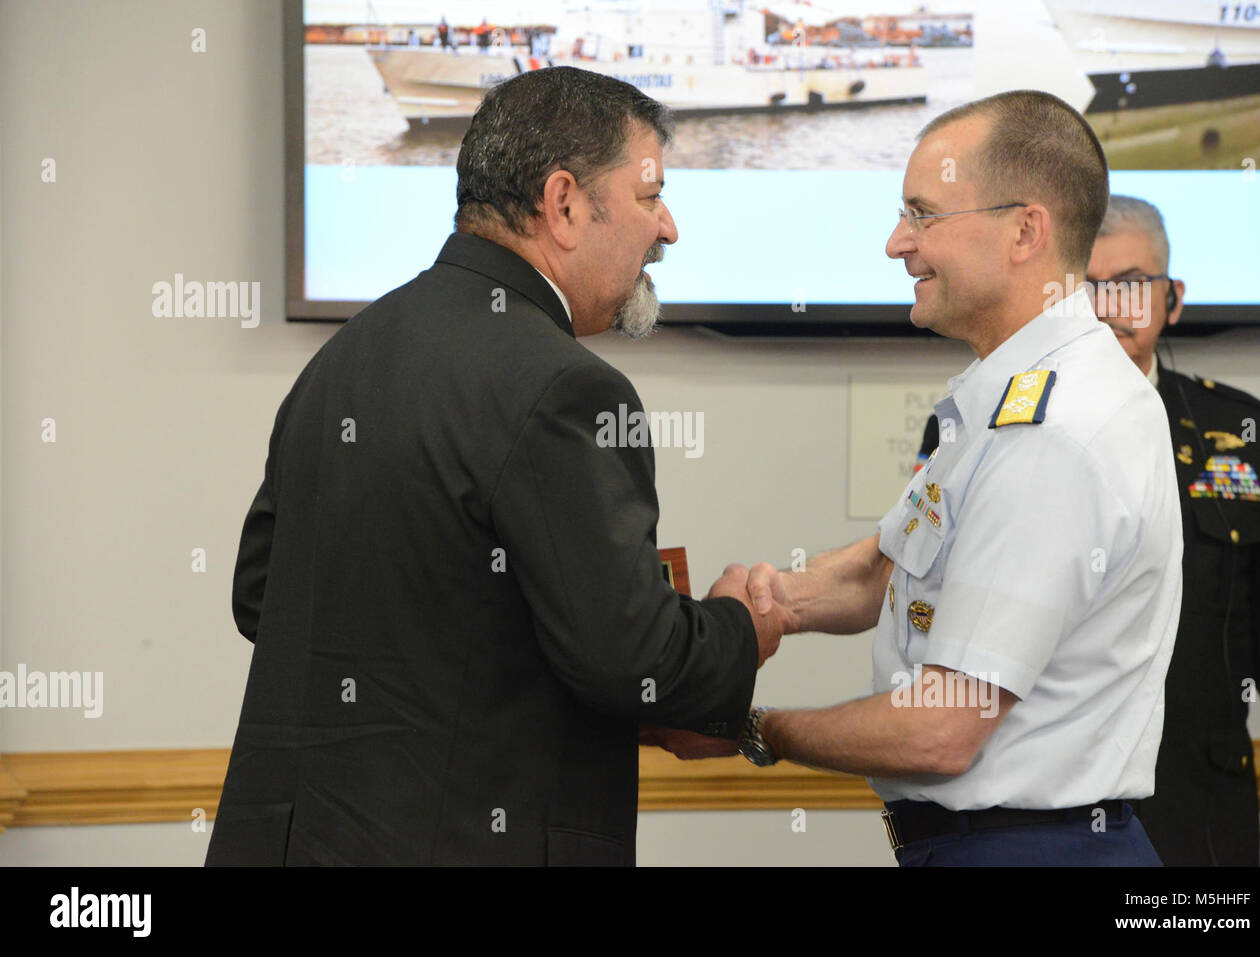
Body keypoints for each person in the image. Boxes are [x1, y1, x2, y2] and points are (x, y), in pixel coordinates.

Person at [206, 67, 778, 866]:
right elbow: (629, 656)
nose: (668, 228)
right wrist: (739, 629)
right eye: (651, 196)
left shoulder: (343, 360)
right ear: (566, 203)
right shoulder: (567, 387)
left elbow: (262, 593)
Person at [665, 91, 1183, 866]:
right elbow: (887, 568)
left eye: (922, 214)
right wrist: (761, 603)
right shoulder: (1006, 398)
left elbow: (941, 730)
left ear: (1024, 230)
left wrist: (751, 727)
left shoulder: (1057, 429)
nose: (895, 243)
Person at [1084, 195, 1260, 865]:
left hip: (1200, 821)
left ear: (1170, 298)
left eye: (1130, 284)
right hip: (1038, 820)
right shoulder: (994, 428)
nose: (1109, 306)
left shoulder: (1247, 440)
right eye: (1086, 287)